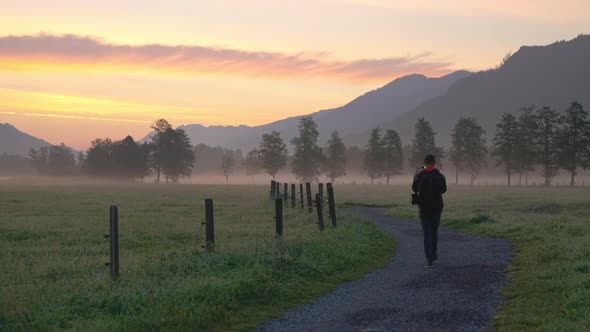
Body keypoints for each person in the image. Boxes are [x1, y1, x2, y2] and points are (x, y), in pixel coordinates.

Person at [412, 154, 447, 268]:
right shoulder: (440, 176)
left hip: (424, 209)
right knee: (434, 232)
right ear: (434, 163)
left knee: (427, 233)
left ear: (425, 163)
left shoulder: (419, 175)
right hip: (437, 208)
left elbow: (413, 188)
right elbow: (444, 190)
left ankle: (429, 258)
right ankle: (433, 253)